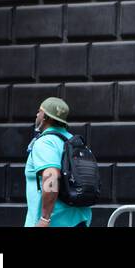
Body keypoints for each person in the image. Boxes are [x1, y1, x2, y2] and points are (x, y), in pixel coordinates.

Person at [24, 96, 91, 228]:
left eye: (39, 111)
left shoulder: (45, 142)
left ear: (45, 117)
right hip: (80, 220)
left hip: (54, 221)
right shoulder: (75, 142)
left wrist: (44, 219)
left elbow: (51, 176)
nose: (37, 115)